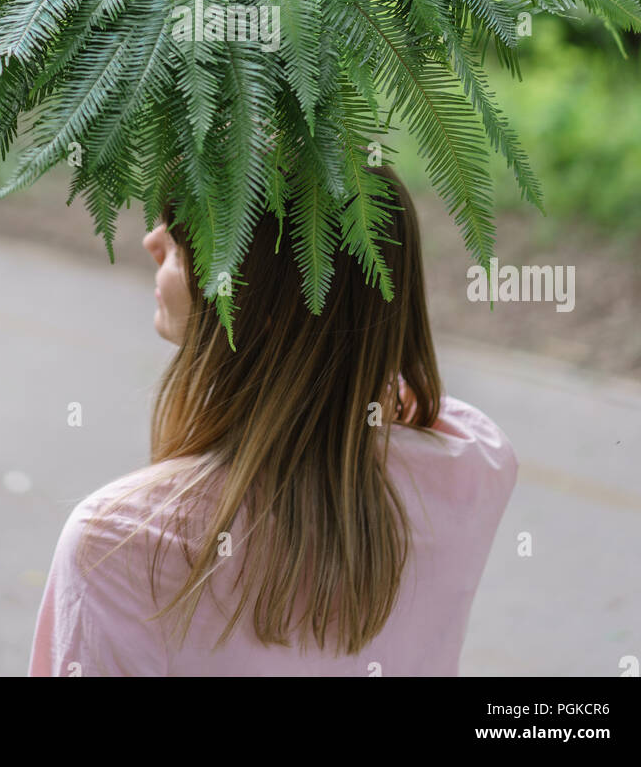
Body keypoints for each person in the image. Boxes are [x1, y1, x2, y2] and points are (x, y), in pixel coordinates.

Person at [28, 167, 517, 677]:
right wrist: (338, 329)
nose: (152, 239)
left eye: (183, 239)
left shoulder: (119, 541)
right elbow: (395, 387)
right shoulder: (474, 466)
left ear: (253, 305)